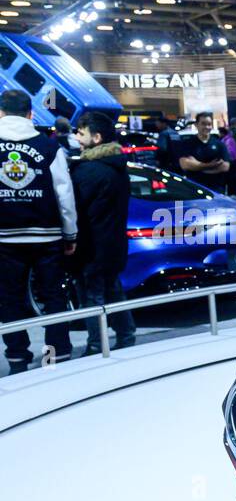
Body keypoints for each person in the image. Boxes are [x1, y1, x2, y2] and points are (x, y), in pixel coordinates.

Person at [0, 89, 77, 374]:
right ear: (30, 113)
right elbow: (64, 194)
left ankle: (18, 358)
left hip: (5, 238)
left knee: (9, 299)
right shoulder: (49, 146)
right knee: (53, 296)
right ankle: (56, 355)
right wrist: (70, 235)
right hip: (46, 235)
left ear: (1, 112)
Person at [71, 111, 134, 355]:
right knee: (114, 291)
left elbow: (76, 209)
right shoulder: (117, 166)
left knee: (93, 297)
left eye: (81, 133)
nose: (76, 137)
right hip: (114, 243)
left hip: (92, 245)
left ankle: (96, 344)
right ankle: (126, 336)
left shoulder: (88, 171)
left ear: (96, 138)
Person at [176, 111, 231, 192]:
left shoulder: (219, 144)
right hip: (194, 189)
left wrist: (198, 166)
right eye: (203, 124)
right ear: (196, 125)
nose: (207, 127)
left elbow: (225, 166)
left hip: (216, 189)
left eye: (209, 124)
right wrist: (210, 165)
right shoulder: (187, 143)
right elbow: (184, 164)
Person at [220, 121, 236, 197]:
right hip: (232, 160)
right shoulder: (228, 139)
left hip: (231, 161)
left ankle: (232, 192)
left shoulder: (228, 140)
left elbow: (230, 151)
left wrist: (226, 159)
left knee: (231, 178)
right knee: (231, 177)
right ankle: (232, 192)